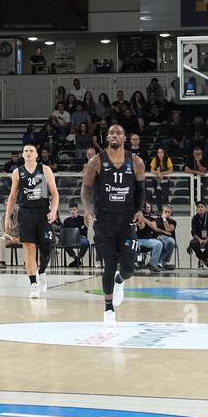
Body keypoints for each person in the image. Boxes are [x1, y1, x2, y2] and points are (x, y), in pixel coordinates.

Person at [80, 124, 147, 325]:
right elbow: (86, 189)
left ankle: (121, 280)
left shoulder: (136, 162)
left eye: (118, 132)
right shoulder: (96, 161)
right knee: (108, 265)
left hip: (127, 221)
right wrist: (88, 208)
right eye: (111, 133)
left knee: (128, 268)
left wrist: (139, 210)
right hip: (104, 221)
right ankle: (108, 308)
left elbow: (141, 190)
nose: (114, 135)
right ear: (107, 138)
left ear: (124, 138)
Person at [2, 143, 59, 299]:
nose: (28, 153)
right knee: (29, 248)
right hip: (26, 213)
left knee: (47, 247)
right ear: (22, 154)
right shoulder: (17, 172)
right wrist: (8, 216)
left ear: (36, 155)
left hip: (43, 213)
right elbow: (12, 197)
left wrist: (53, 211)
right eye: (25, 151)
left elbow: (55, 194)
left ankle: (42, 272)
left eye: (31, 151)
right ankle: (33, 283)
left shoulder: (45, 170)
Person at [60, 202, 90, 267]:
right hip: (71, 238)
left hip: (81, 237)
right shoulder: (66, 221)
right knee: (65, 244)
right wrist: (79, 229)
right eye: (71, 210)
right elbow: (65, 232)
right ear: (69, 210)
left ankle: (78, 259)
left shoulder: (82, 219)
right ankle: (76, 259)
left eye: (74, 209)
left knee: (85, 243)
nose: (73, 211)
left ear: (77, 210)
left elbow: (84, 230)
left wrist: (78, 230)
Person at [189, 201, 208, 268]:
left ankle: (202, 259)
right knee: (193, 243)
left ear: (205, 209)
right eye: (198, 207)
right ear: (197, 209)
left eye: (202, 207)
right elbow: (194, 232)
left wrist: (205, 240)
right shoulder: (194, 218)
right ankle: (204, 259)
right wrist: (200, 240)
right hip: (198, 238)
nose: (200, 208)